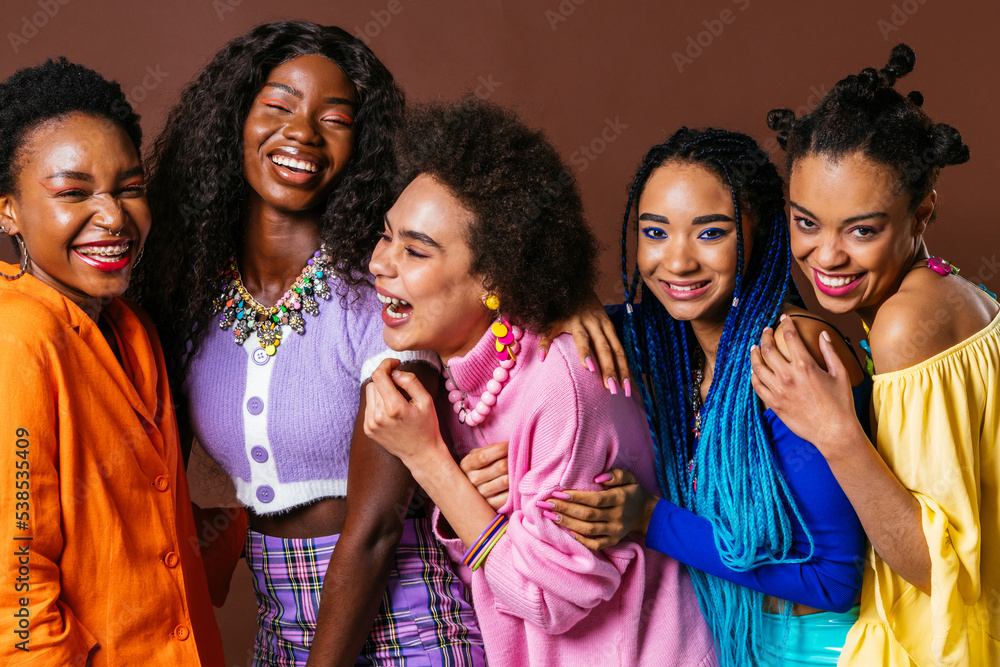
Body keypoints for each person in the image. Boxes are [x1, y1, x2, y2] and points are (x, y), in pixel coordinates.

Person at [132, 21, 484, 666]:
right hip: (280, 628)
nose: (302, 133)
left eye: (336, 118)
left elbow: (376, 531)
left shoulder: (382, 292)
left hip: (411, 626)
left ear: (363, 146)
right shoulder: (185, 294)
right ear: (235, 120)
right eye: (279, 105)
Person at [363, 97, 718, 667]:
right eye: (386, 236)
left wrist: (429, 462)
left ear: (493, 276)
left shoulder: (565, 383)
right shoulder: (457, 372)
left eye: (415, 249)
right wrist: (461, 496)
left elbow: (548, 597)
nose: (382, 263)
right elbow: (493, 561)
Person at [500, 128, 869, 665]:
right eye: (655, 232)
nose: (676, 262)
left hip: (816, 650)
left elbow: (834, 579)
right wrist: (573, 300)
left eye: (710, 234)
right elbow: (508, 319)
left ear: (761, 231)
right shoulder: (665, 336)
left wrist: (650, 519)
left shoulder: (793, 351)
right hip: (731, 641)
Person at [751, 44, 998, 666]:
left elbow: (936, 569)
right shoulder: (957, 293)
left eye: (862, 230)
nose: (827, 256)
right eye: (806, 222)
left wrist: (834, 431)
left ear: (923, 209)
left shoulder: (903, 325)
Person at [0, 58, 225, 666]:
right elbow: (15, 583)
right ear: (8, 211)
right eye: (73, 192)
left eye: (129, 188)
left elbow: (140, 508)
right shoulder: (18, 335)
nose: (113, 217)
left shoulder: (129, 326)